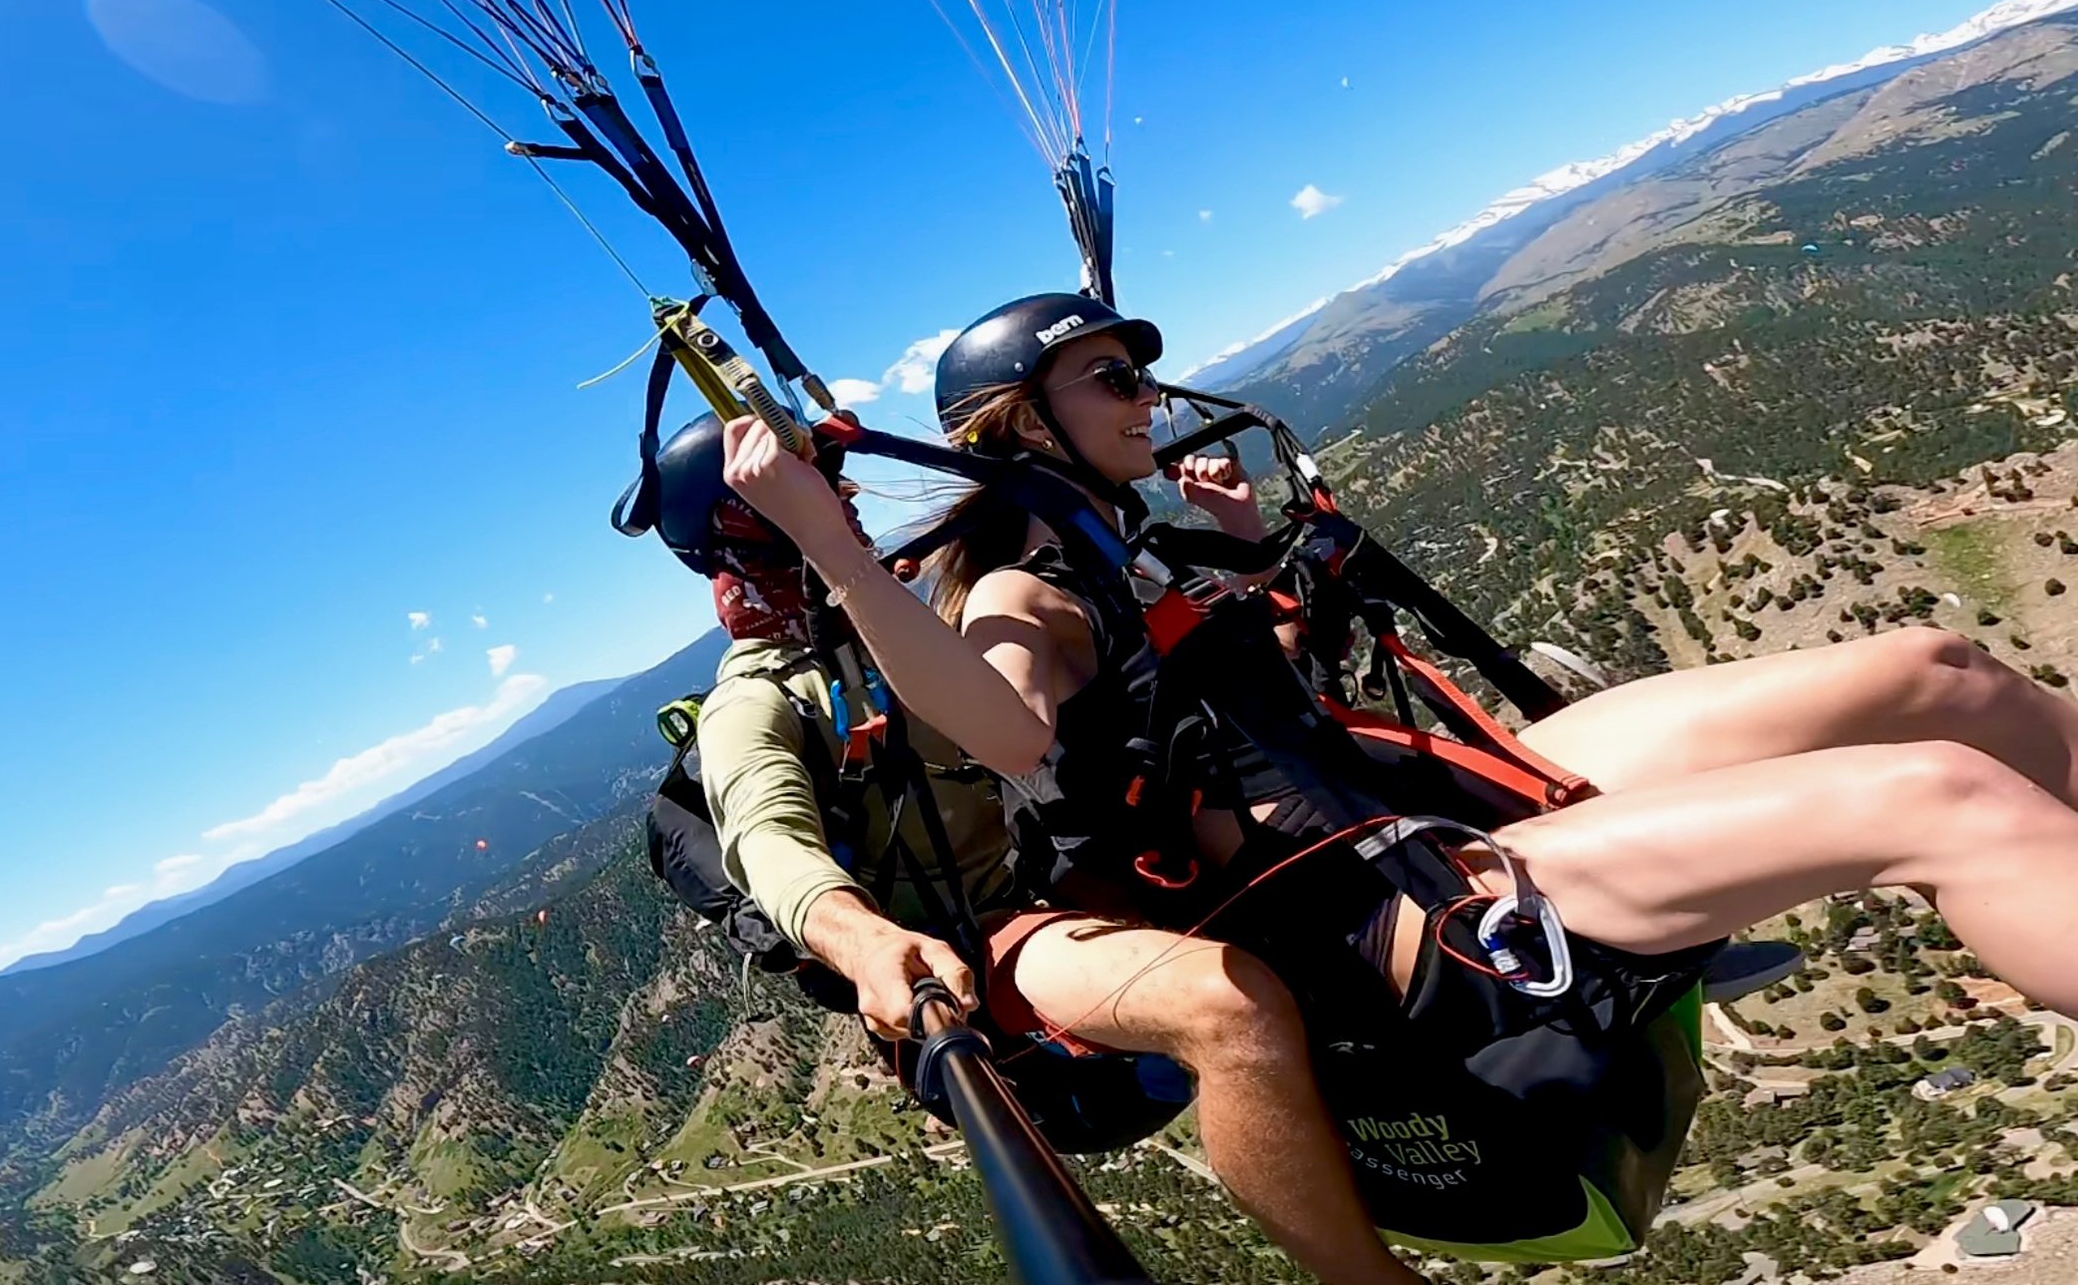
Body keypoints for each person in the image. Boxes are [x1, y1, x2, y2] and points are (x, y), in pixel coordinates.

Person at [719, 291, 2078, 1285]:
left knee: (1937, 668)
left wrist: (1259, 559)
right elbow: (1008, 725)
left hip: (1417, 796)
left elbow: (1231, 696)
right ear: (1026, 421)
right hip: (1382, 898)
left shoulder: (1124, 545)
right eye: (1107, 375)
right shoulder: (1024, 586)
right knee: (1940, 794)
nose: (1145, 390)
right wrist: (834, 548)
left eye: (1137, 364)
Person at [646, 412, 1406, 1260]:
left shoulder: (891, 621)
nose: (849, 499)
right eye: (816, 491)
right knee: (1227, 1005)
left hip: (1078, 865)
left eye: (833, 483)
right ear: (753, 528)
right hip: (989, 948)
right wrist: (861, 942)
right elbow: (769, 842)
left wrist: (1238, 535)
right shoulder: (756, 703)